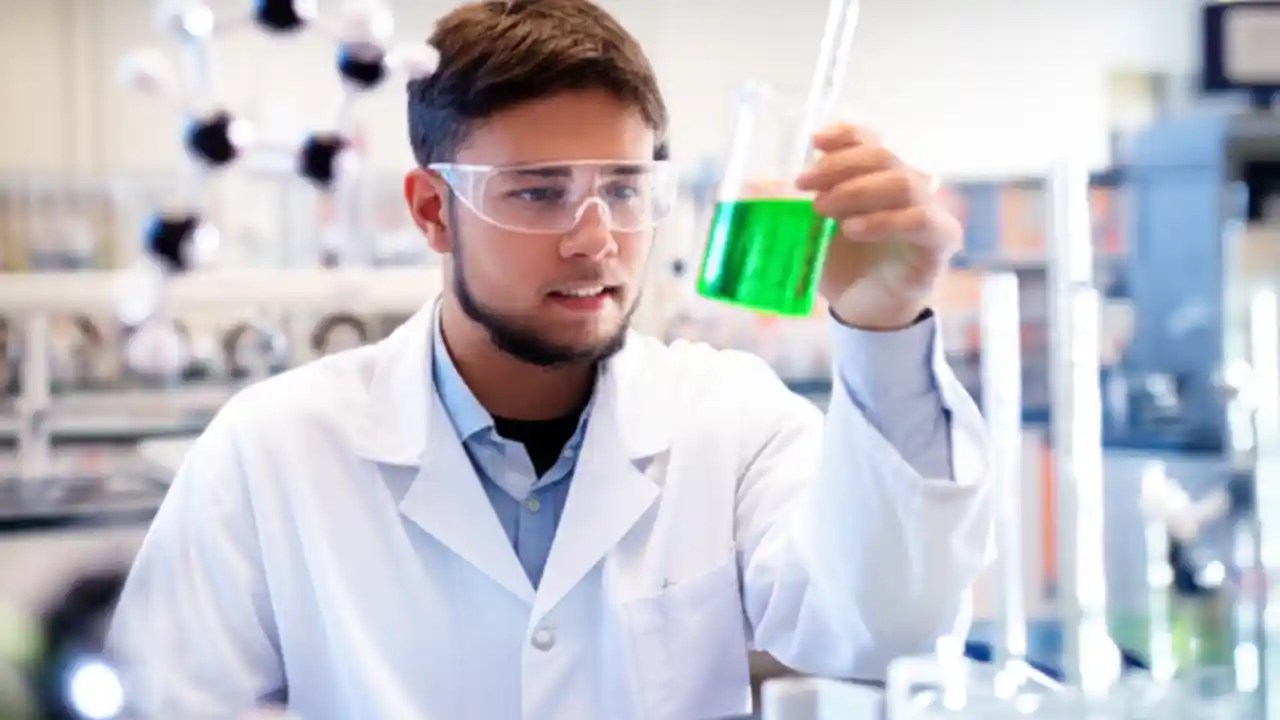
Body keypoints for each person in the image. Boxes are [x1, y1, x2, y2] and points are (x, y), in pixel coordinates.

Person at [107, 1, 994, 718]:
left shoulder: (728, 420)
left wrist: (884, 326)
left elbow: (886, 628)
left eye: (624, 187)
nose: (595, 238)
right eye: (537, 192)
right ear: (429, 210)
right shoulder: (272, 450)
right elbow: (166, 700)